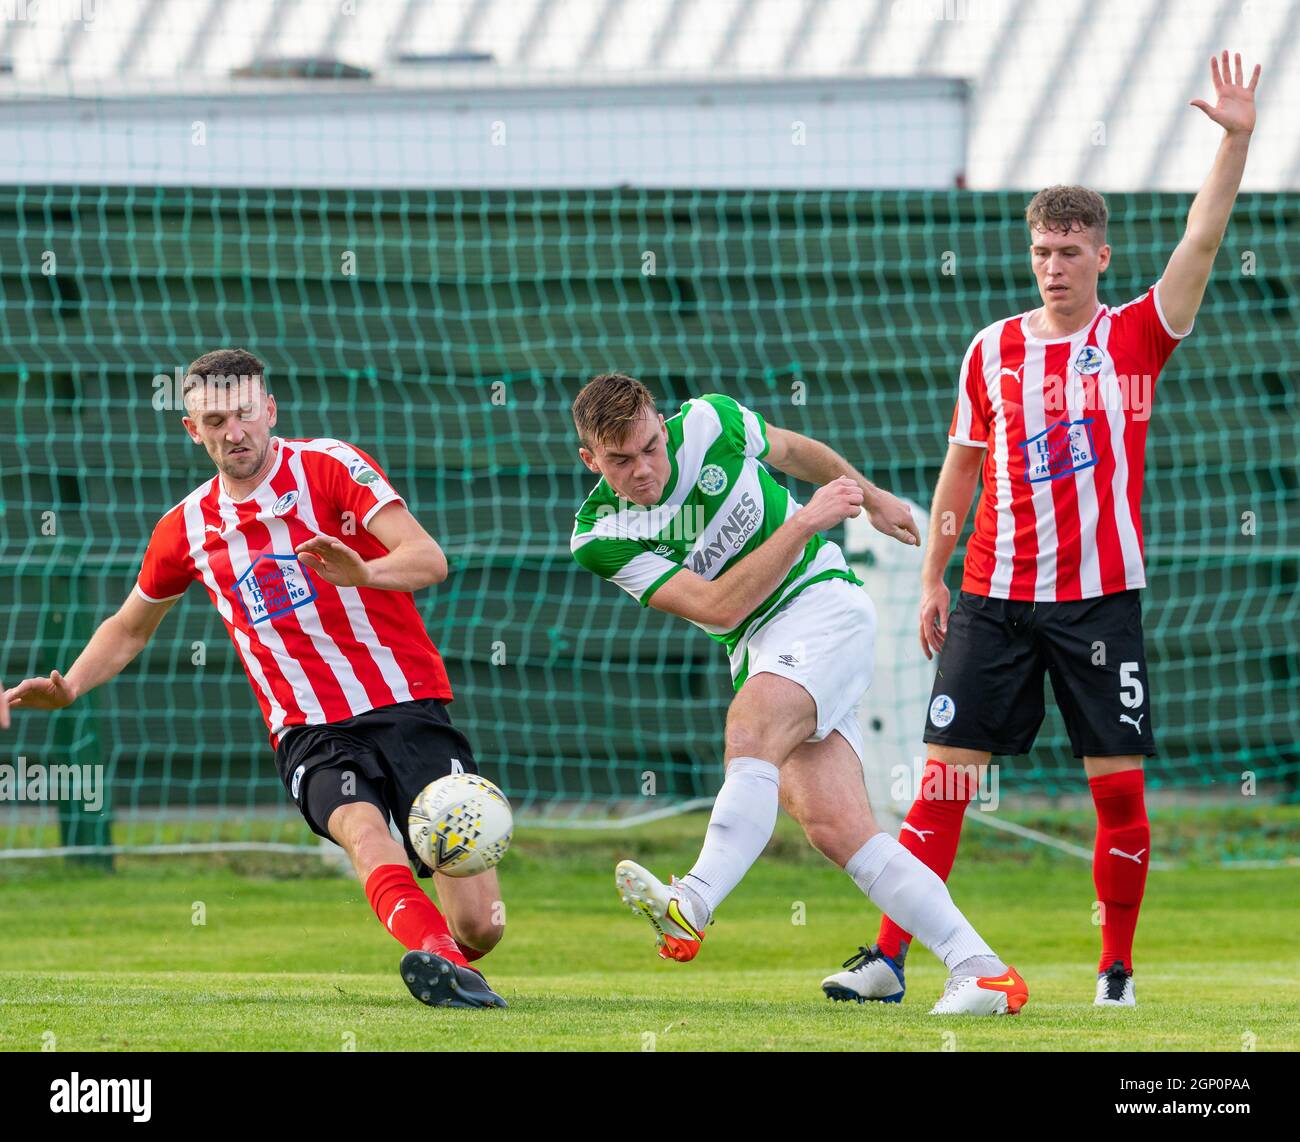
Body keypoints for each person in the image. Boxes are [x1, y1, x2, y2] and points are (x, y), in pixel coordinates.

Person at [840, 52, 1261, 1009]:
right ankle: (887, 959)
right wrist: (935, 575)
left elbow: (1202, 239)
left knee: (1116, 790)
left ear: (1101, 257)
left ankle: (1114, 968)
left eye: (1072, 251)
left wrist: (1235, 139)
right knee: (943, 784)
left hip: (1098, 602)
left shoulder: (1136, 336)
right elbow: (963, 466)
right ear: (1028, 254)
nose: (1055, 266)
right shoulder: (992, 349)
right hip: (992, 594)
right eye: (1042, 251)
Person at [5, 348, 506, 1009]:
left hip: (406, 702)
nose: (232, 432)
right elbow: (130, 628)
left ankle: (455, 953)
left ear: (268, 410)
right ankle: (438, 967)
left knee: (479, 925)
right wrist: (68, 686)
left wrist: (365, 574)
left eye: (243, 413)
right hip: (307, 727)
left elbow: (428, 558)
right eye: (214, 420)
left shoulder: (329, 467)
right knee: (360, 828)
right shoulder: (184, 529)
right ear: (192, 430)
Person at [570, 373, 1028, 1015]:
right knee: (839, 828)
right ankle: (983, 971)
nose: (644, 468)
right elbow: (718, 607)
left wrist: (868, 497)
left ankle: (694, 900)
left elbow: (789, 451)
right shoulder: (599, 534)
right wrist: (806, 519)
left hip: (823, 605)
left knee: (749, 731)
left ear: (661, 422)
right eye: (620, 460)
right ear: (591, 459)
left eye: (650, 446)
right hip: (756, 641)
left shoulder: (710, 422)